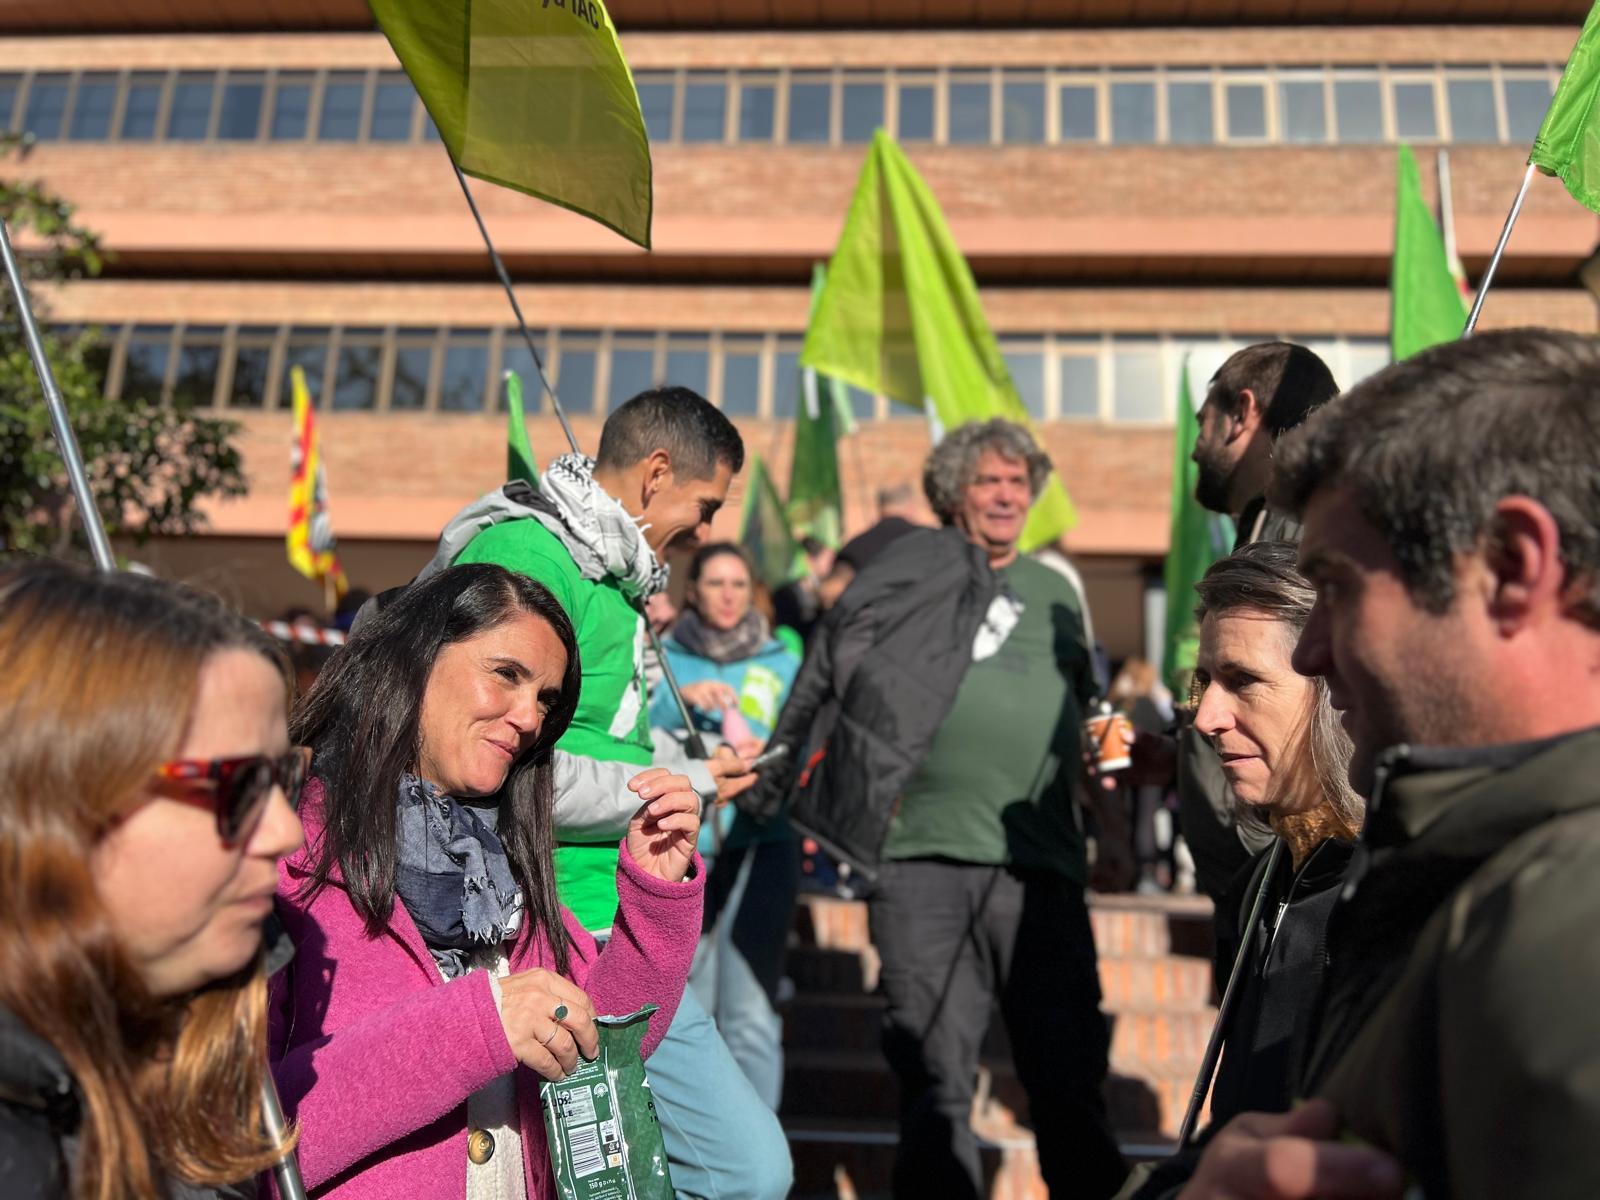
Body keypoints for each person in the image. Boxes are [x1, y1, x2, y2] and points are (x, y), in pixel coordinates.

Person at [1185, 328, 1600, 1199]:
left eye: (1338, 587)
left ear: (1514, 570)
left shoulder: (1565, 915)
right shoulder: (1460, 872)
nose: (1312, 653)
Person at [757, 419, 1128, 1199]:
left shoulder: (1057, 586)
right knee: (935, 1079)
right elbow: (837, 672)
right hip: (916, 858)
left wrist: (1119, 826)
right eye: (989, 480)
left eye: (1019, 481)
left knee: (1067, 1078)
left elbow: (1091, 716)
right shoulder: (906, 573)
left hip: (1041, 866)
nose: (1007, 495)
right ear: (953, 492)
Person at [440, 388, 793, 1199]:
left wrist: (695, 764)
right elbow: (498, 765)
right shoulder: (526, 557)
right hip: (540, 928)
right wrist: (685, 782)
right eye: (705, 507)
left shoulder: (620, 574)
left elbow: (607, 742)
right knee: (715, 1173)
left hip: (626, 927)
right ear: (656, 474)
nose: (706, 532)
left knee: (715, 1170)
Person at [271, 563, 706, 1198]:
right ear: (414, 662)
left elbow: (595, 1051)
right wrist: (481, 1025)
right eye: (507, 674)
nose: (530, 717)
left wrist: (653, 899)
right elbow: (240, 1141)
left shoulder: (507, 867)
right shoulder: (285, 861)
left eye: (546, 699)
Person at [0, 560, 306, 1199]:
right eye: (241, 786)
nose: (287, 831)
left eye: (284, 779)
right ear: (63, 801)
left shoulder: (194, 1075)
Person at [1122, 542, 1361, 1200]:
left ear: (1337, 681)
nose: (1206, 717)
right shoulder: (1271, 875)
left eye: (1244, 681)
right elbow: (1233, 1134)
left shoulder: (1386, 898)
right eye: (1205, 682)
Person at [1135, 343, 1341, 909]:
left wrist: (1276, 850)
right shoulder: (1263, 522)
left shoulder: (1316, 528)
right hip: (1253, 882)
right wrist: (1185, 754)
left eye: (1203, 426)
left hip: (1288, 881)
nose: (1195, 452)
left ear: (1243, 413)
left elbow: (1323, 699)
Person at [650, 542, 801, 1111]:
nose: (729, 595)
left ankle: (756, 1163)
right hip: (683, 852)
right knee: (691, 1009)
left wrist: (777, 750)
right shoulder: (664, 655)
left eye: (739, 583)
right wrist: (677, 699)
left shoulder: (780, 660)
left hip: (762, 846)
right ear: (693, 590)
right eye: (716, 583)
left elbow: (807, 741)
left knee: (752, 1017)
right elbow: (635, 731)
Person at [817, 482, 922, 608]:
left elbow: (830, 592)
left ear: (880, 507)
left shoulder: (856, 547)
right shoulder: (933, 545)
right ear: (912, 507)